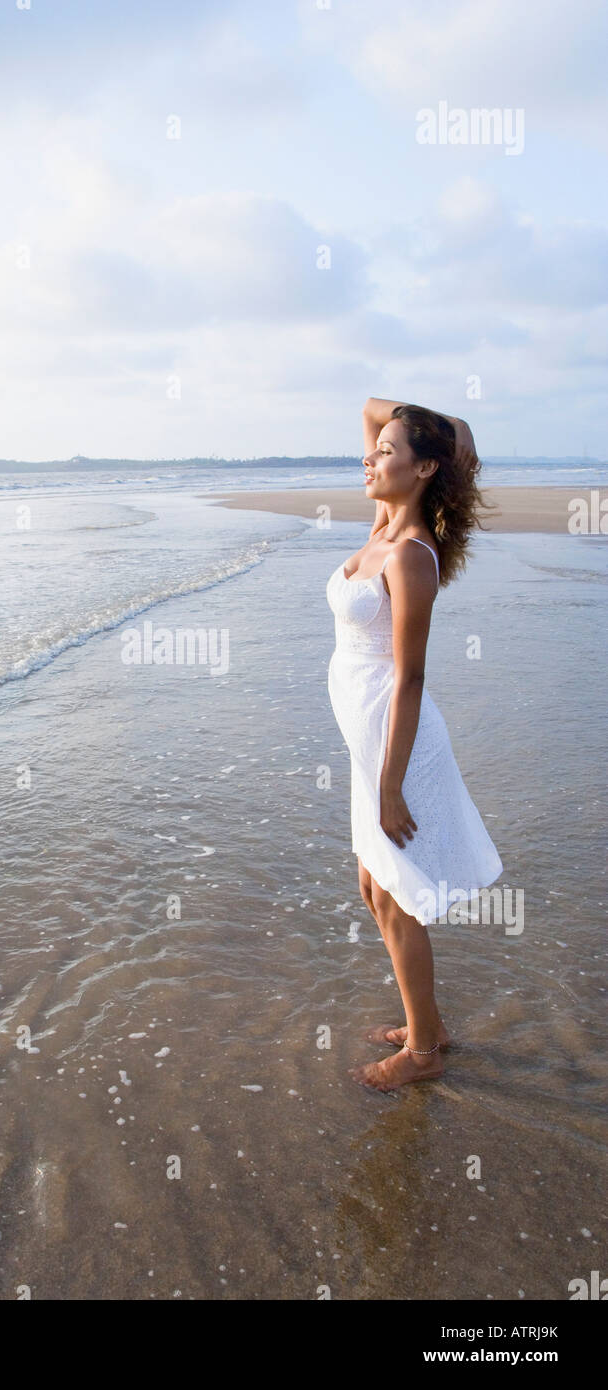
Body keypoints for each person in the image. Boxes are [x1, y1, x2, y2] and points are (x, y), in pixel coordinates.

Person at [325, 397, 503, 1091]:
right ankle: (425, 1021)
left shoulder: (410, 553)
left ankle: (424, 1053)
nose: (370, 457)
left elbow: (411, 678)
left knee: (397, 896)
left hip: (397, 745)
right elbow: (371, 407)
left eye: (388, 452)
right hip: (366, 741)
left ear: (425, 467)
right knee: (375, 886)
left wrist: (391, 786)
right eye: (374, 449)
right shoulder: (381, 524)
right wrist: (407, 428)